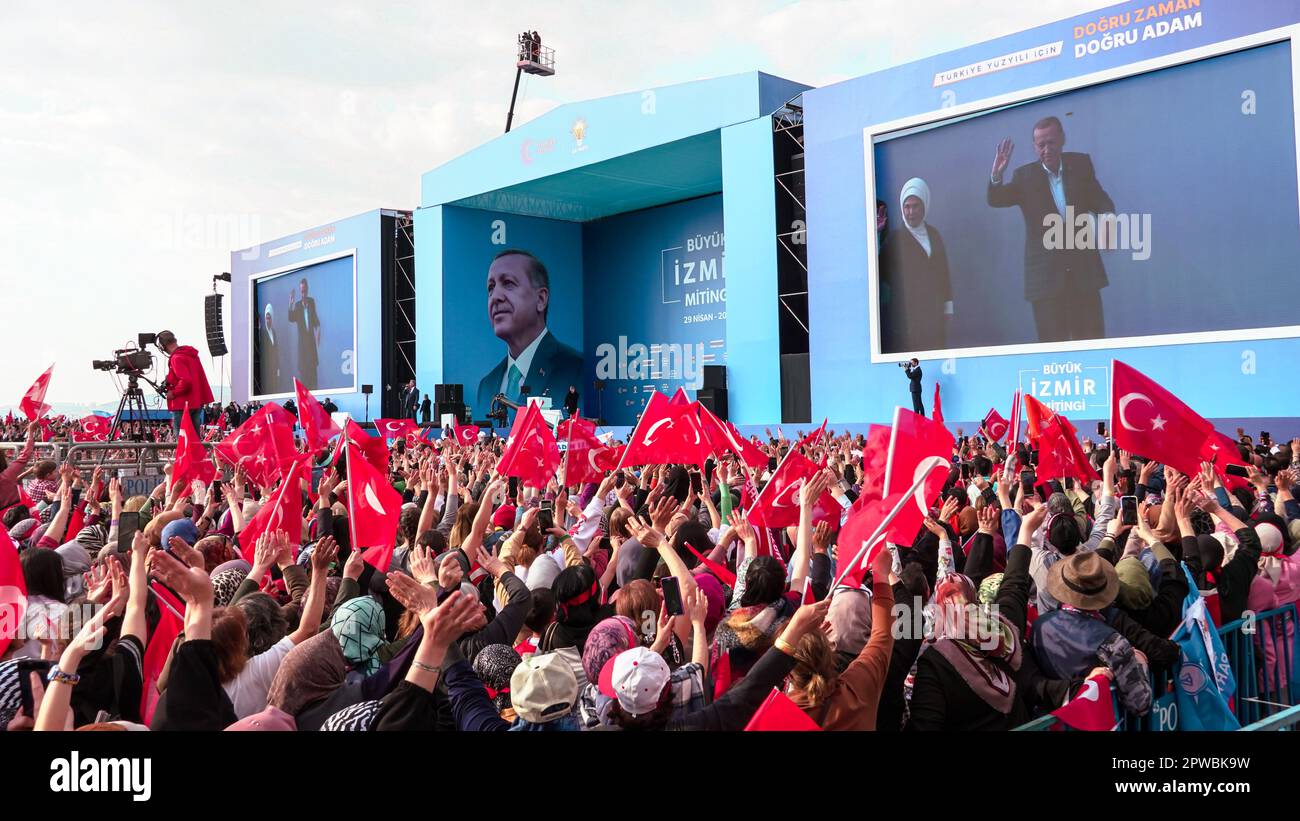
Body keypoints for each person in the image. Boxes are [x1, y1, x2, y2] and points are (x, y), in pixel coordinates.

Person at [987, 116, 1115, 343]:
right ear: (1034, 147)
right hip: (1046, 283)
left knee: (1093, 344)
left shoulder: (1081, 165)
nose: (1047, 149)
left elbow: (1100, 199)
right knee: (1053, 352)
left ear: (1062, 139)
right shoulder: (1024, 177)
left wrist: (1107, 219)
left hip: (1084, 275)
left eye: (1051, 142)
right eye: (1041, 145)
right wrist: (997, 175)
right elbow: (996, 199)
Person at [474, 250, 583, 420]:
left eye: (508, 283)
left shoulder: (576, 368)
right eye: (491, 288)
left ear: (541, 299)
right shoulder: (486, 386)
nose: (495, 296)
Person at [880, 177, 952, 353]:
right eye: (907, 206)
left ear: (924, 206)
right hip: (908, 322)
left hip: (934, 317)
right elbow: (880, 271)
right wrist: (878, 234)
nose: (910, 212)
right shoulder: (895, 238)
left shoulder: (934, 235)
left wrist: (947, 307)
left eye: (915, 206)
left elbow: (944, 273)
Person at [156, 329, 213, 433]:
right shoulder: (191, 355)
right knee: (195, 441)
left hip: (182, 405)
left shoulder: (176, 358)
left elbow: (186, 380)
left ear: (163, 346)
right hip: (196, 402)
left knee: (182, 442)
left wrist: (173, 393)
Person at [287, 277, 321, 388]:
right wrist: (290, 303)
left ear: (307, 290)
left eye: (305, 291)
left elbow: (315, 320)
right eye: (301, 291)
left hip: (311, 347)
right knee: (305, 382)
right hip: (302, 349)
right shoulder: (297, 305)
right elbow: (291, 318)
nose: (303, 293)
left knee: (313, 381)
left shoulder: (311, 302)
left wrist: (318, 332)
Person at [257, 303, 283, 395]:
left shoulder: (274, 332)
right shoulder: (263, 332)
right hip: (267, 368)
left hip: (274, 367)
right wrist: (259, 329)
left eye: (269, 318)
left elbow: (276, 350)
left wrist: (278, 367)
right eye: (267, 318)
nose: (268, 320)